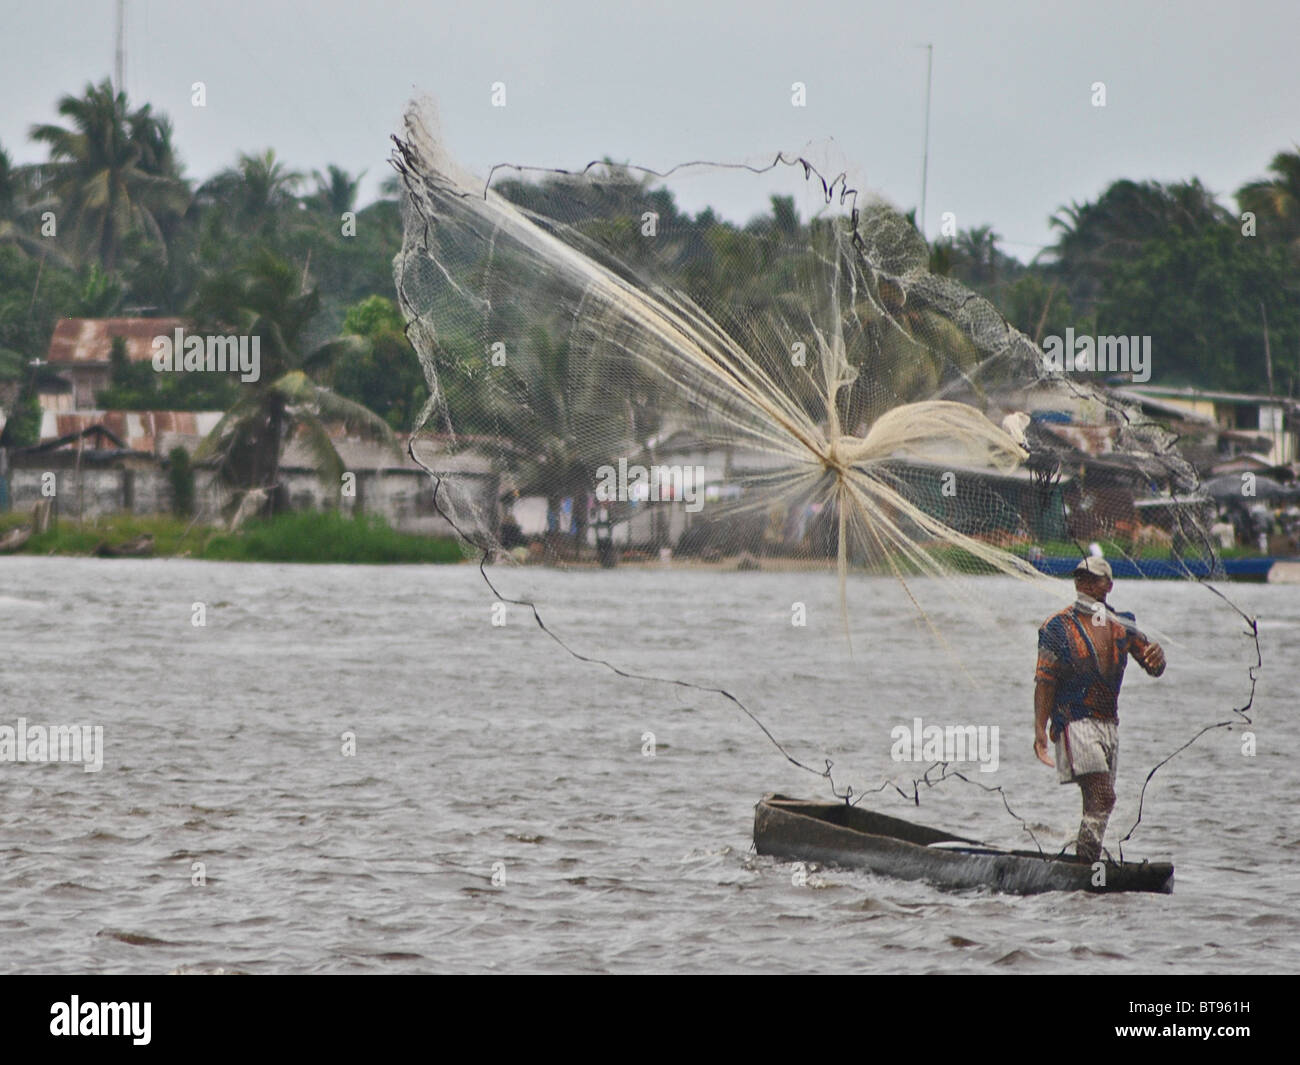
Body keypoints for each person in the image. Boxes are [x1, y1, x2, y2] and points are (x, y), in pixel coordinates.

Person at [1033, 556, 1166, 864]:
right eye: (1081, 578)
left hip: (1109, 725)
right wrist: (1040, 729)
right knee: (1103, 796)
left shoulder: (1124, 625)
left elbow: (1153, 666)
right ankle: (1087, 867)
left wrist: (1159, 658)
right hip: (1073, 722)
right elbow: (1044, 680)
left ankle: (1086, 865)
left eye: (1094, 579)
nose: (1086, 583)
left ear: (1109, 586)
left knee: (1096, 802)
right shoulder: (1057, 626)